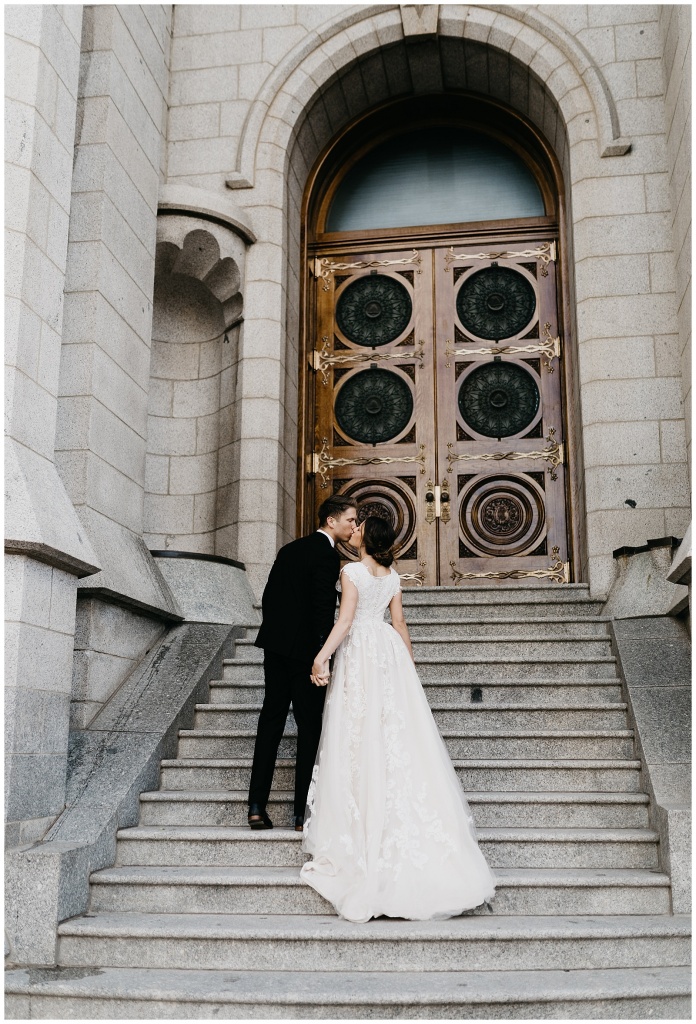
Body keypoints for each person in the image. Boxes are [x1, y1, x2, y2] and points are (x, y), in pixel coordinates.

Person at [300, 515, 497, 922]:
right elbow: (400, 623)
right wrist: (408, 665)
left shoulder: (351, 571)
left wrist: (321, 656)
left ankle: (361, 830)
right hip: (387, 651)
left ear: (366, 537)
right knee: (389, 732)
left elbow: (345, 621)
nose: (354, 530)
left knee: (359, 731)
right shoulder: (392, 576)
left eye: (359, 527)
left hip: (361, 652)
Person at [248, 496, 358, 831]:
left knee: (271, 722)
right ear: (331, 521)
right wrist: (322, 657)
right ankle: (301, 814)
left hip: (275, 648)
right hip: (306, 655)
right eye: (350, 520)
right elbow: (322, 609)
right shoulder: (327, 555)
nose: (354, 526)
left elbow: (269, 597)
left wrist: (277, 636)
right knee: (309, 729)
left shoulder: (289, 549)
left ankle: (256, 807)